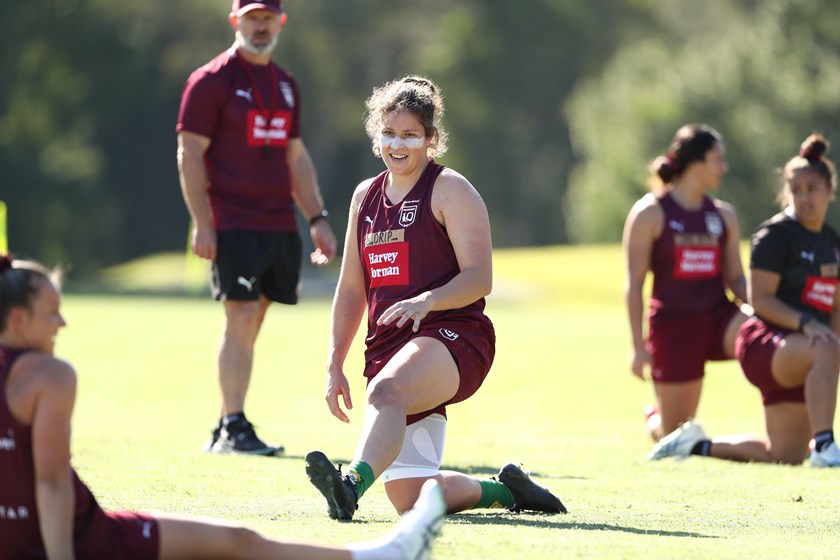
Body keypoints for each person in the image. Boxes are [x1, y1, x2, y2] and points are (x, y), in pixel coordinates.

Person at [0, 254, 446, 559]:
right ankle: (385, 555)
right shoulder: (50, 375)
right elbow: (51, 484)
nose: (62, 322)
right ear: (18, 319)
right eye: (51, 312)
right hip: (84, 539)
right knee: (239, 543)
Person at [303, 75, 567, 522]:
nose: (398, 144)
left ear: (431, 138)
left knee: (386, 391)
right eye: (389, 133)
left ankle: (349, 487)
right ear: (376, 136)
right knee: (411, 499)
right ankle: (510, 491)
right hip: (389, 346)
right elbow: (350, 289)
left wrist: (427, 300)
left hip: (454, 335)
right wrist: (334, 364)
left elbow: (480, 278)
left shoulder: (450, 189)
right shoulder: (364, 197)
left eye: (410, 134)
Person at [176, 0, 337, 455]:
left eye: (267, 18)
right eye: (252, 18)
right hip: (234, 221)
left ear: (280, 22)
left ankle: (226, 425)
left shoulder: (286, 84)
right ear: (236, 21)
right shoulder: (210, 81)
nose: (260, 26)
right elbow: (189, 155)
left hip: (278, 222)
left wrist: (317, 218)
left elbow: (296, 157)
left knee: (254, 318)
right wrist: (202, 223)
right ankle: (233, 425)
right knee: (241, 315)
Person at [649, 133, 840, 467]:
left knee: (786, 455)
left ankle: (694, 446)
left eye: (812, 189)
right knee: (827, 348)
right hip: (766, 342)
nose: (804, 197)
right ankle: (825, 444)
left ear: (830, 190)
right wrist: (808, 326)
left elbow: (835, 306)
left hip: (804, 351)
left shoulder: (833, 243)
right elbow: (759, 299)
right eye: (796, 190)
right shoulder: (775, 235)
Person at [622, 124, 749, 444]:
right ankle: (656, 420)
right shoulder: (650, 213)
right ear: (695, 163)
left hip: (720, 319)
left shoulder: (724, 216)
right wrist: (638, 348)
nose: (724, 167)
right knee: (676, 437)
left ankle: (794, 430)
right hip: (674, 330)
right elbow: (634, 284)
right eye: (718, 159)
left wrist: (771, 311)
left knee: (769, 339)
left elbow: (736, 280)